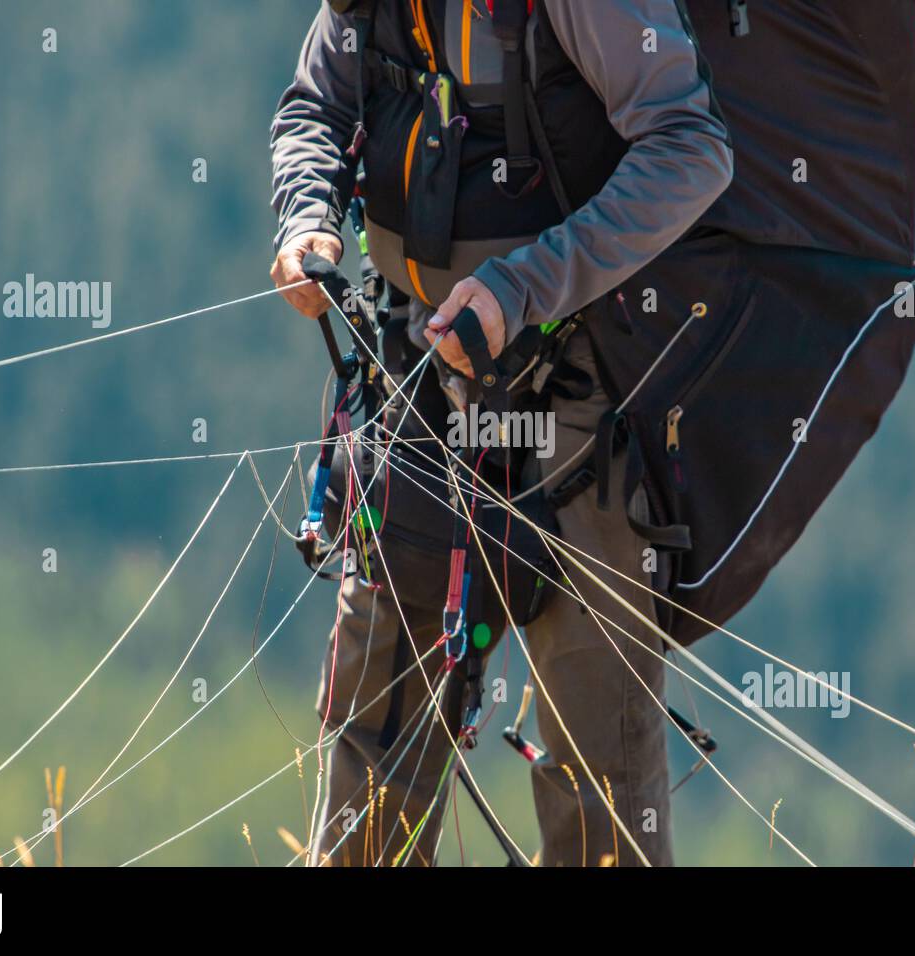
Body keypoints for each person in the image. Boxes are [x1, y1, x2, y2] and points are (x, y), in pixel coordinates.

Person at [270, 0, 733, 866]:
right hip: (414, 376)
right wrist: (307, 217)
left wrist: (526, 286)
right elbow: (315, 105)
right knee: (375, 744)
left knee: (598, 776)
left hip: (585, 401)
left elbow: (691, 148)